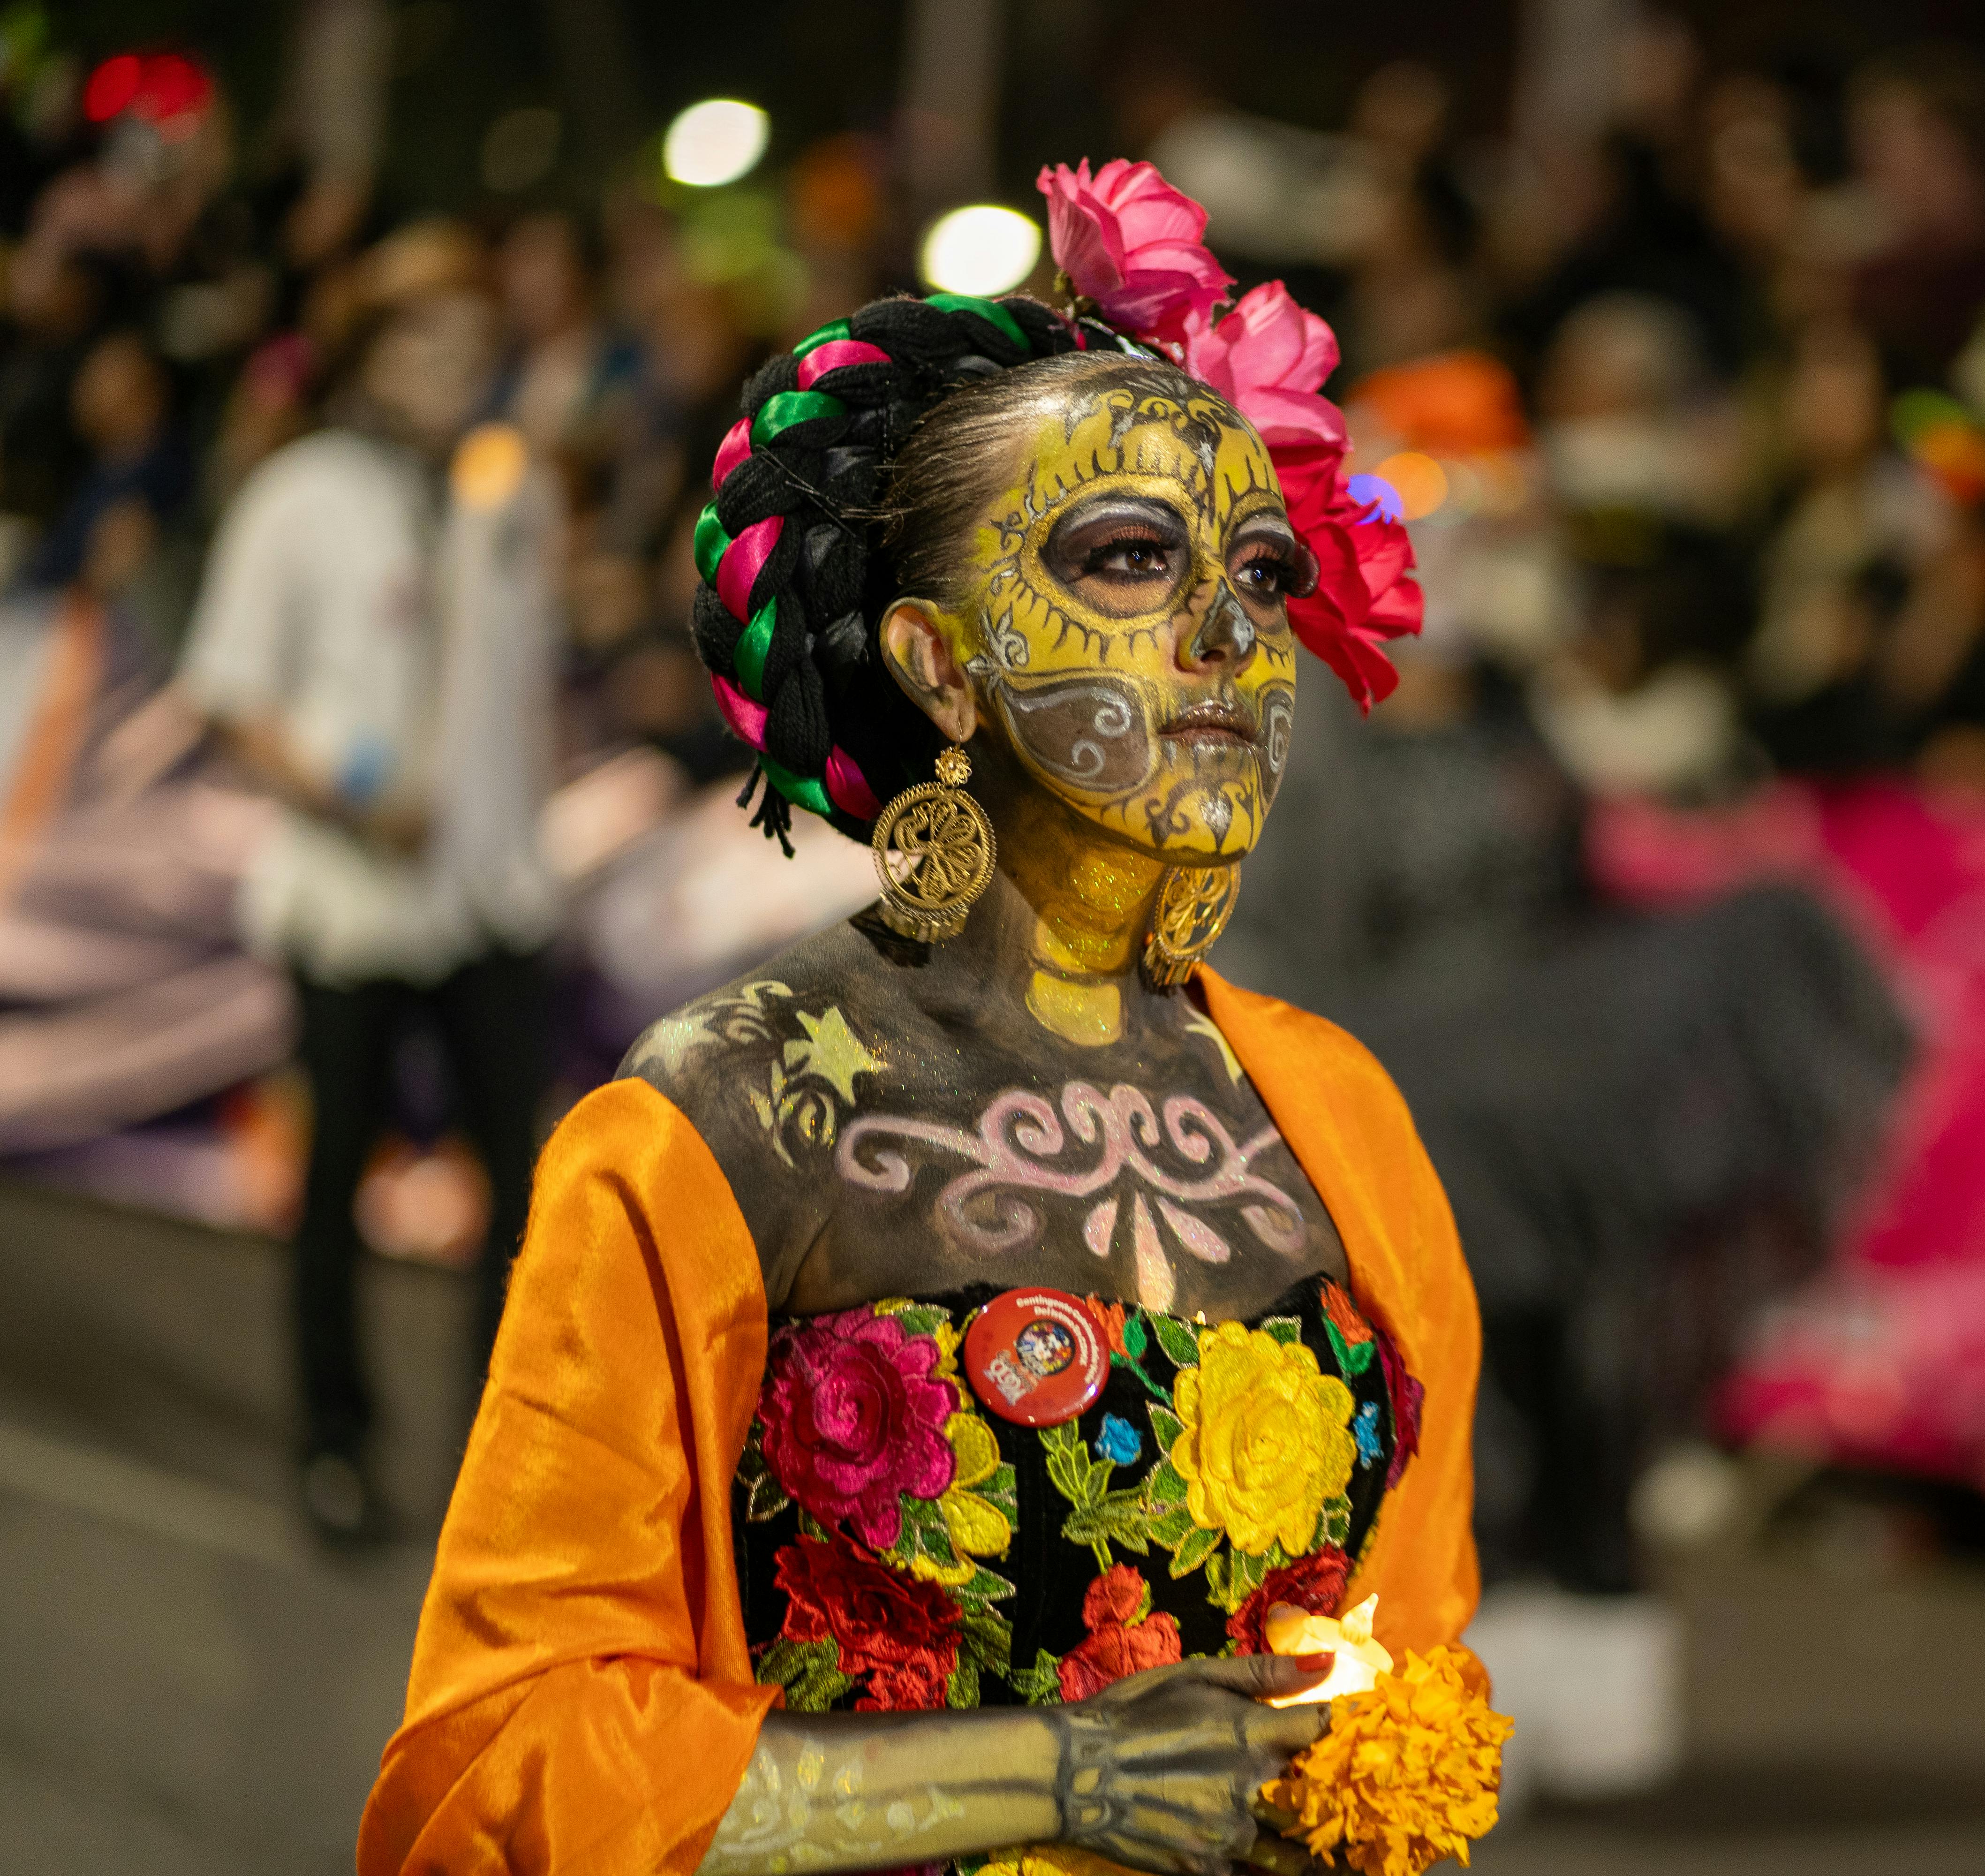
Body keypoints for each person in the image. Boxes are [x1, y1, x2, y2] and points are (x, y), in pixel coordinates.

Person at [358, 164, 1480, 1876]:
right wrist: (1054, 1775)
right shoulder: (721, 1120)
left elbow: (1414, 1647)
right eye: (1126, 559)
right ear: (939, 665)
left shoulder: (1340, 1120)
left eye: (1258, 573)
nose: (1225, 640)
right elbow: (505, 1750)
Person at [174, 222, 561, 1540]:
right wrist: (350, 790)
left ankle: (495, 1463)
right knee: (333, 1173)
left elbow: (526, 688)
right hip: (348, 904)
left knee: (524, 1197)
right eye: (420, 337)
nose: (450, 366)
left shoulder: (513, 490)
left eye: (471, 341)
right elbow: (228, 693)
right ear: (367, 349)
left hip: (492, 899)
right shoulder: (304, 494)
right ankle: (334, 1444)